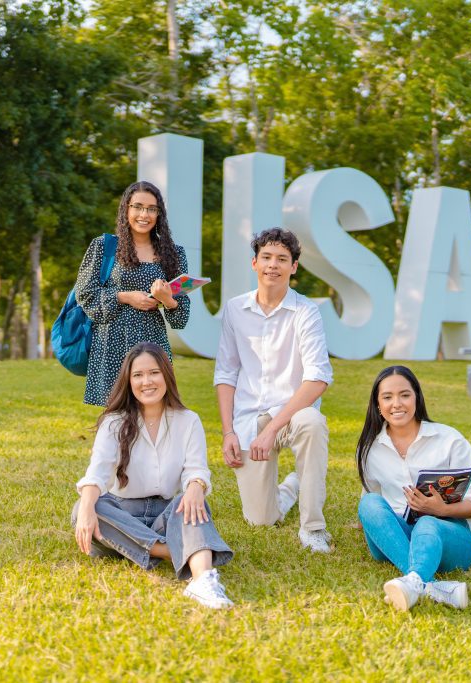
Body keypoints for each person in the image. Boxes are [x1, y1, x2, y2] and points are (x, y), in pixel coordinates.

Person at [72, 342, 235, 609]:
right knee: (85, 506)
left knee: (194, 502)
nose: (146, 381)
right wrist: (88, 507)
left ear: (166, 376)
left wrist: (195, 488)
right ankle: (175, 551)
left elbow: (196, 469)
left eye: (153, 373)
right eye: (138, 375)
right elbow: (97, 472)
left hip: (165, 515)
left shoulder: (188, 420)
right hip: (123, 513)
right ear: (129, 381)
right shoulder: (114, 422)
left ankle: (203, 580)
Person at [214, 228, 335, 553]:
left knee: (312, 422)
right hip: (249, 419)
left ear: (294, 267)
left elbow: (317, 378)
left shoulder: (306, 312)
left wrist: (273, 430)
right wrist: (228, 433)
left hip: (291, 415)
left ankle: (313, 528)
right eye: (266, 257)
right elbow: (225, 374)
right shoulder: (235, 309)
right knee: (261, 519)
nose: (273, 265)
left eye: (282, 259)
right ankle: (292, 487)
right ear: (254, 263)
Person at [355, 365, 471, 611]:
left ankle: (415, 581)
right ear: (378, 405)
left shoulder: (449, 440)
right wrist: (374, 521)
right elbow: (371, 499)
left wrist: (441, 509)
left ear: (417, 398)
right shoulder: (370, 448)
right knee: (367, 504)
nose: (396, 403)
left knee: (427, 522)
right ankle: (427, 585)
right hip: (396, 537)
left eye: (404, 395)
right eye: (387, 397)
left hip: (448, 537)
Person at [75, 181, 190, 406]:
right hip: (112, 343)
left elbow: (181, 319)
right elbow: (85, 295)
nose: (144, 214)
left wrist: (168, 300)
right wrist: (124, 296)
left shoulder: (175, 254)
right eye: (137, 206)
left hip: (154, 344)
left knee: (153, 414)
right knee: (115, 420)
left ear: (159, 214)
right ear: (126, 208)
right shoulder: (104, 246)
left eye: (151, 209)